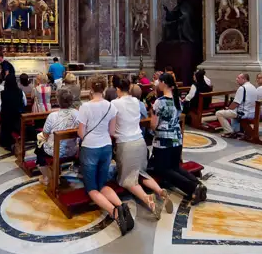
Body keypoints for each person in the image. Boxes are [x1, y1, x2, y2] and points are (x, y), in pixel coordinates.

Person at [77, 75, 133, 236]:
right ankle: (121, 205)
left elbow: (81, 132)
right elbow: (111, 131)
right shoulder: (111, 106)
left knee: (92, 188)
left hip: (90, 148)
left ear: (90, 88)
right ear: (104, 88)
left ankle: (114, 212)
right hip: (106, 147)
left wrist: (88, 138)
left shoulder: (85, 107)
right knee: (102, 184)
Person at [112, 79, 172, 219]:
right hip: (140, 142)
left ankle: (148, 200)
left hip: (126, 144)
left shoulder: (115, 103)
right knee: (140, 173)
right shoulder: (135, 101)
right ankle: (160, 191)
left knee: (127, 180)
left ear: (118, 89)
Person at [150, 73, 207, 204]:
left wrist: (152, 114)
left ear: (163, 82)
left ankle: (193, 188)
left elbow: (154, 125)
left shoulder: (160, 102)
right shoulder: (178, 100)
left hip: (163, 140)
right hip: (177, 138)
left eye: (159, 81)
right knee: (175, 167)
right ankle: (198, 185)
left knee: (162, 169)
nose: (158, 83)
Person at [35, 89, 79, 185]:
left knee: (39, 144)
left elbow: (45, 134)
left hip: (55, 151)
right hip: (72, 150)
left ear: (58, 101)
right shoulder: (77, 113)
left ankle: (46, 177)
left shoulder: (52, 116)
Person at [215, 72, 258, 138]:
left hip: (243, 113)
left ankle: (228, 132)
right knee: (232, 112)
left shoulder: (242, 88)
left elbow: (236, 103)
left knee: (219, 113)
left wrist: (228, 108)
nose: (236, 79)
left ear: (244, 79)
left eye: (238, 78)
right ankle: (236, 131)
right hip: (252, 112)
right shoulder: (253, 87)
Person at [0, 73, 27, 150]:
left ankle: (6, 142)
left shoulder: (2, 93)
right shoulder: (20, 92)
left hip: (6, 119)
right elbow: (25, 103)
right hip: (17, 117)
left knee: (5, 124)